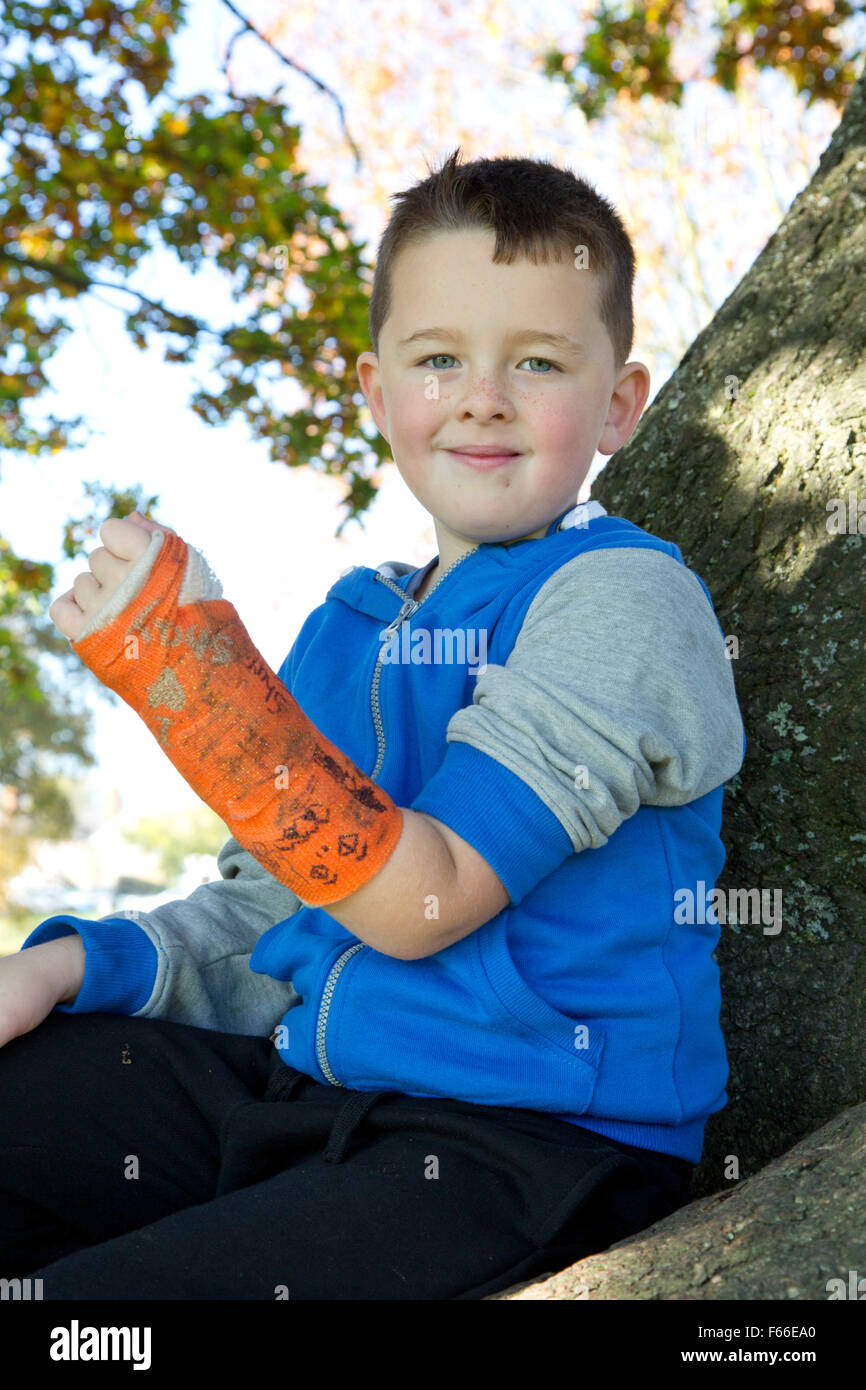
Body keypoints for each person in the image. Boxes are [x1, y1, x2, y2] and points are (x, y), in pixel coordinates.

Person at [0, 148, 745, 1300]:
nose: (482, 395)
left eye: (536, 362)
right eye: (437, 358)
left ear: (615, 406)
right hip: (300, 1088)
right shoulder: (346, 625)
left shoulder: (623, 599)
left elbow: (422, 899)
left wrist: (198, 686)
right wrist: (62, 964)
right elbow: (266, 916)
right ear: (373, 393)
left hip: (523, 1143)